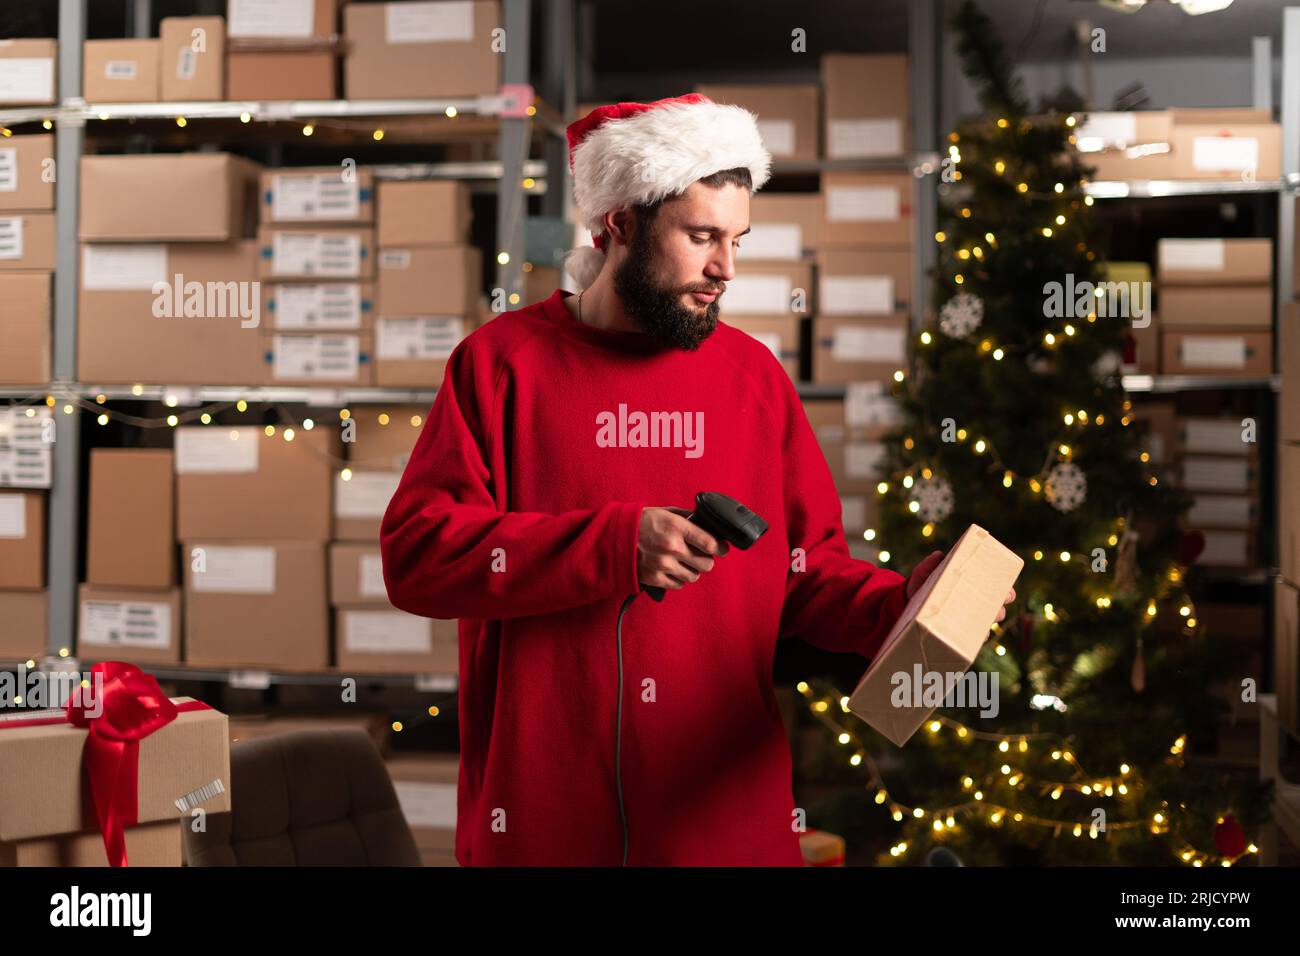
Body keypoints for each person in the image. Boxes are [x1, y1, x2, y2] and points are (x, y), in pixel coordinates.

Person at [380, 94, 1015, 866]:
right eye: (702, 236)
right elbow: (418, 558)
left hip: (728, 832)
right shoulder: (500, 363)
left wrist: (909, 605)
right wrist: (614, 544)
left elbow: (804, 577)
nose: (726, 268)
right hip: (546, 831)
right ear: (619, 222)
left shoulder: (753, 378)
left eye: (737, 239)